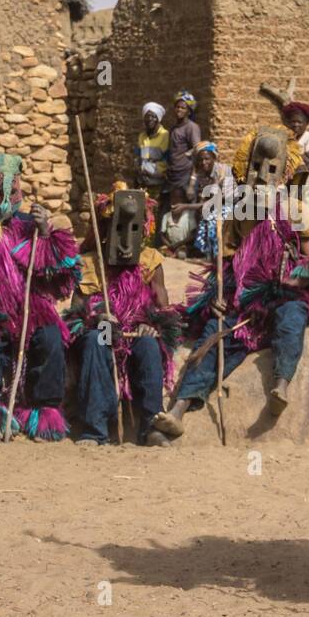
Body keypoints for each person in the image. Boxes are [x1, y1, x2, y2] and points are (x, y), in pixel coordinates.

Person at [161, 129, 309, 440]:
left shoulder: (296, 211)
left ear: (284, 174)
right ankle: (178, 409)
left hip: (287, 296)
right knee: (215, 335)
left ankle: (281, 385)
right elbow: (230, 265)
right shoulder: (239, 216)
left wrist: (292, 281)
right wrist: (218, 297)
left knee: (291, 319)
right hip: (247, 302)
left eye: (270, 169)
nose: (261, 177)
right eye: (255, 169)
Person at [0, 153, 81, 441]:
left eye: (10, 191)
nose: (3, 198)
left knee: (51, 338)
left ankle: (44, 412)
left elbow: (60, 272)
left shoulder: (30, 225)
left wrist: (43, 232)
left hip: (32, 306)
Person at [65, 184, 179, 446]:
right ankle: (95, 430)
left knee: (149, 344)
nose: (127, 240)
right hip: (104, 330)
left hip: (136, 331)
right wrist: (96, 318)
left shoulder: (150, 260)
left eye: (134, 230)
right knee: (96, 340)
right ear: (106, 230)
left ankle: (151, 427)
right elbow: (74, 315)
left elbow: (165, 311)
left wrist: (152, 325)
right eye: (119, 229)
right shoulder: (91, 263)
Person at [161, 141, 232, 256]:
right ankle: (209, 255)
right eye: (200, 159)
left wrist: (185, 206)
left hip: (230, 207)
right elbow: (204, 202)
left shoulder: (223, 171)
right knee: (202, 216)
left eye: (207, 159)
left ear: (214, 158)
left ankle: (217, 255)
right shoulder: (204, 175)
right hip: (213, 208)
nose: (203, 162)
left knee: (212, 219)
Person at [164, 91, 202, 226]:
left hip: (186, 175)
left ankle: (187, 244)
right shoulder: (174, 128)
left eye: (183, 107)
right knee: (173, 210)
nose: (179, 109)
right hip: (174, 175)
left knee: (187, 213)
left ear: (189, 111)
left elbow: (198, 152)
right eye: (177, 107)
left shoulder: (191, 127)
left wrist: (192, 183)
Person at [281, 101, 309, 216]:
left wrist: (289, 153)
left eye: (299, 122)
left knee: (305, 227)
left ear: (307, 123)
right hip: (288, 190)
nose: (295, 125)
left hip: (306, 190)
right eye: (292, 122)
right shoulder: (287, 139)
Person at [135, 102, 169, 207]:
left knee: (154, 212)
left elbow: (167, 161)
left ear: (158, 118)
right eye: (147, 116)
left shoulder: (165, 135)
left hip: (158, 183)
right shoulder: (142, 136)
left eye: (153, 116)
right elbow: (139, 157)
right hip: (143, 183)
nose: (150, 119)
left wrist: (148, 169)